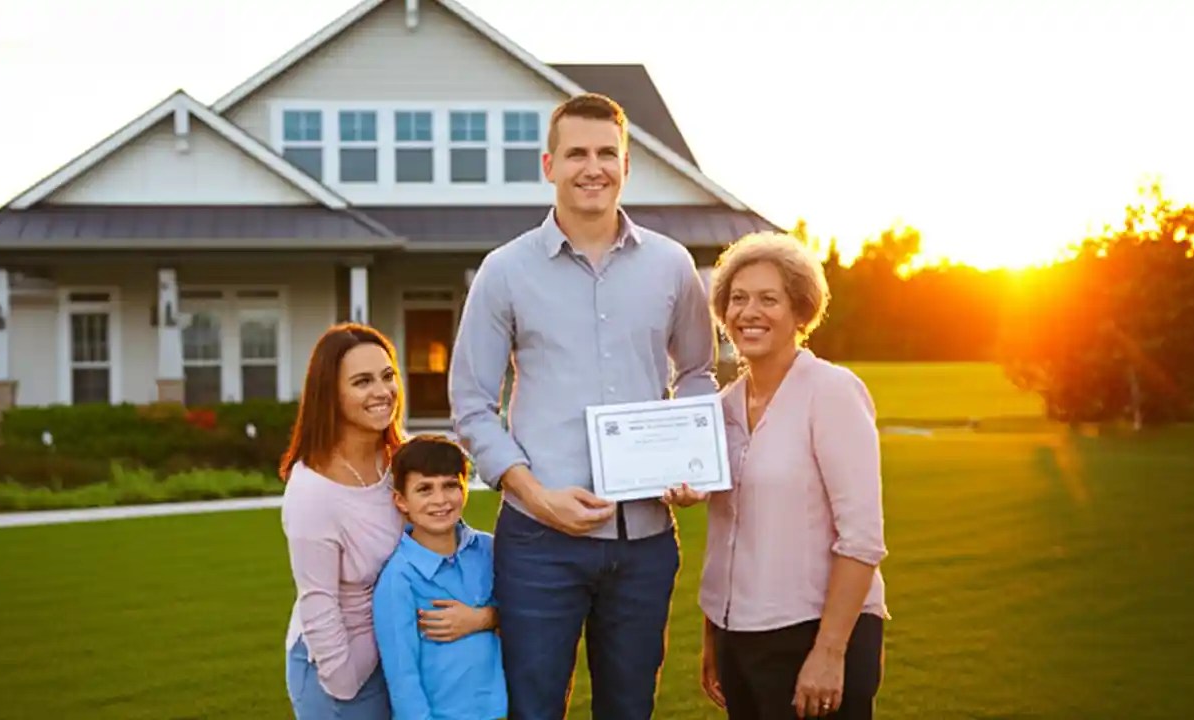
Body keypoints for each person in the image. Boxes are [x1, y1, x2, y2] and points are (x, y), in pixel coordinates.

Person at [449, 92, 717, 719]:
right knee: (533, 709)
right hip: (539, 543)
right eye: (576, 154)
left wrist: (695, 462)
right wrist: (536, 495)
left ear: (627, 165)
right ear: (549, 165)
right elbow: (470, 402)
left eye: (606, 153)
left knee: (629, 709)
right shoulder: (505, 271)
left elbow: (701, 372)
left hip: (646, 540)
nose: (591, 167)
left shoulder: (672, 266)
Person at [692, 233, 889, 719]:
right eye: (737, 298)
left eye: (768, 299)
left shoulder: (831, 392)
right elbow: (728, 535)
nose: (748, 312)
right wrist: (714, 637)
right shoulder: (719, 410)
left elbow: (862, 539)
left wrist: (828, 653)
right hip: (740, 639)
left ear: (800, 312)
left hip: (814, 635)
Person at [278, 323, 408, 720]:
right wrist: (345, 683)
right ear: (330, 395)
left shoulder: (400, 463)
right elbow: (318, 602)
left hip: (399, 656)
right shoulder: (312, 491)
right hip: (341, 671)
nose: (382, 392)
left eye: (387, 376)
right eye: (362, 382)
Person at [372, 435, 507, 720]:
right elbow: (402, 677)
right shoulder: (400, 578)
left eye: (450, 486)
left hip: (500, 709)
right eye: (424, 489)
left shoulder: (491, 551)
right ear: (401, 501)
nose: (440, 500)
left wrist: (484, 618)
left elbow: (529, 613)